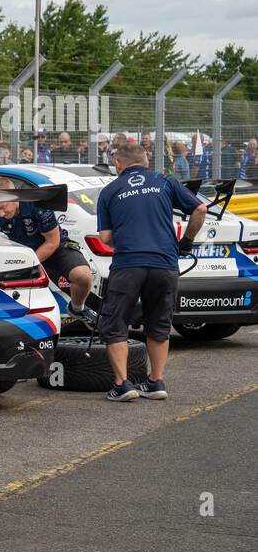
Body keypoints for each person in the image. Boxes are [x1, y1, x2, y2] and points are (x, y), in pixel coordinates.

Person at [95, 141, 205, 401]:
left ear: (118, 164)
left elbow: (105, 236)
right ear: (146, 162)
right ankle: (156, 382)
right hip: (165, 263)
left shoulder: (110, 190)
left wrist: (125, 238)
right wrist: (186, 242)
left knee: (115, 323)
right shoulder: (165, 181)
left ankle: (122, 385)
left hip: (128, 264)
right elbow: (200, 209)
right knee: (159, 323)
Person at [0, 176, 97, 324]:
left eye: (3, 207)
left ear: (15, 196)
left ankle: (77, 308)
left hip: (53, 249)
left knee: (83, 276)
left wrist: (26, 264)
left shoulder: (37, 205)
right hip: (21, 253)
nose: (1, 214)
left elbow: (52, 242)